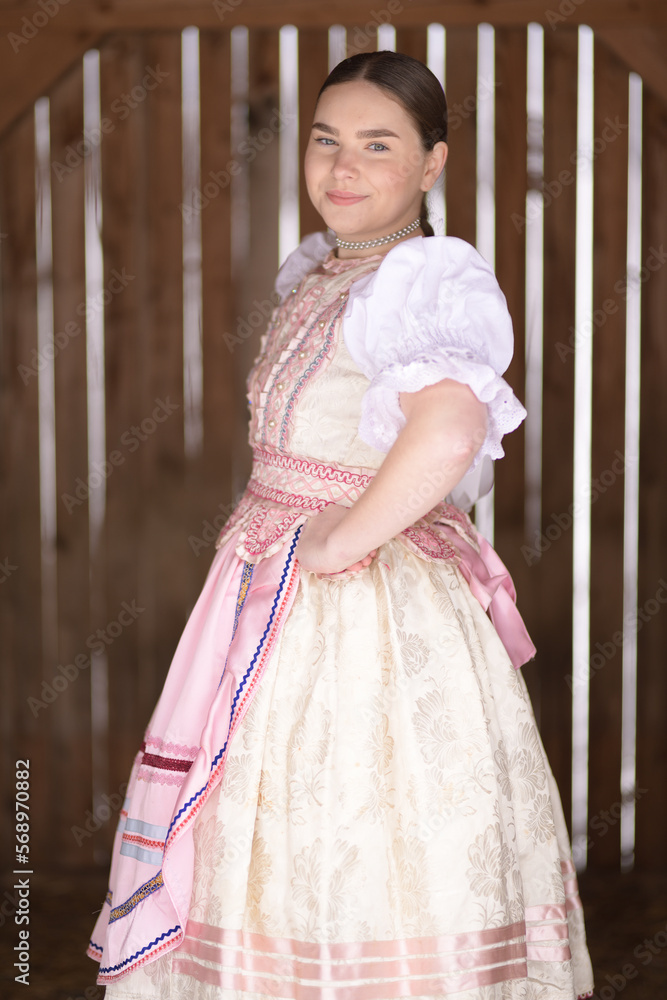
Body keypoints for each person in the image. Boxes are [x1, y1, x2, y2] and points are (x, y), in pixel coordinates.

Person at [87, 50, 595, 1000]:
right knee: (276, 821)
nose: (341, 167)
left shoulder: (421, 279)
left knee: (363, 816)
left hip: (360, 607)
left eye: (376, 145)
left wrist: (341, 538)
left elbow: (449, 425)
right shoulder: (326, 271)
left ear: (432, 162)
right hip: (275, 588)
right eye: (325, 141)